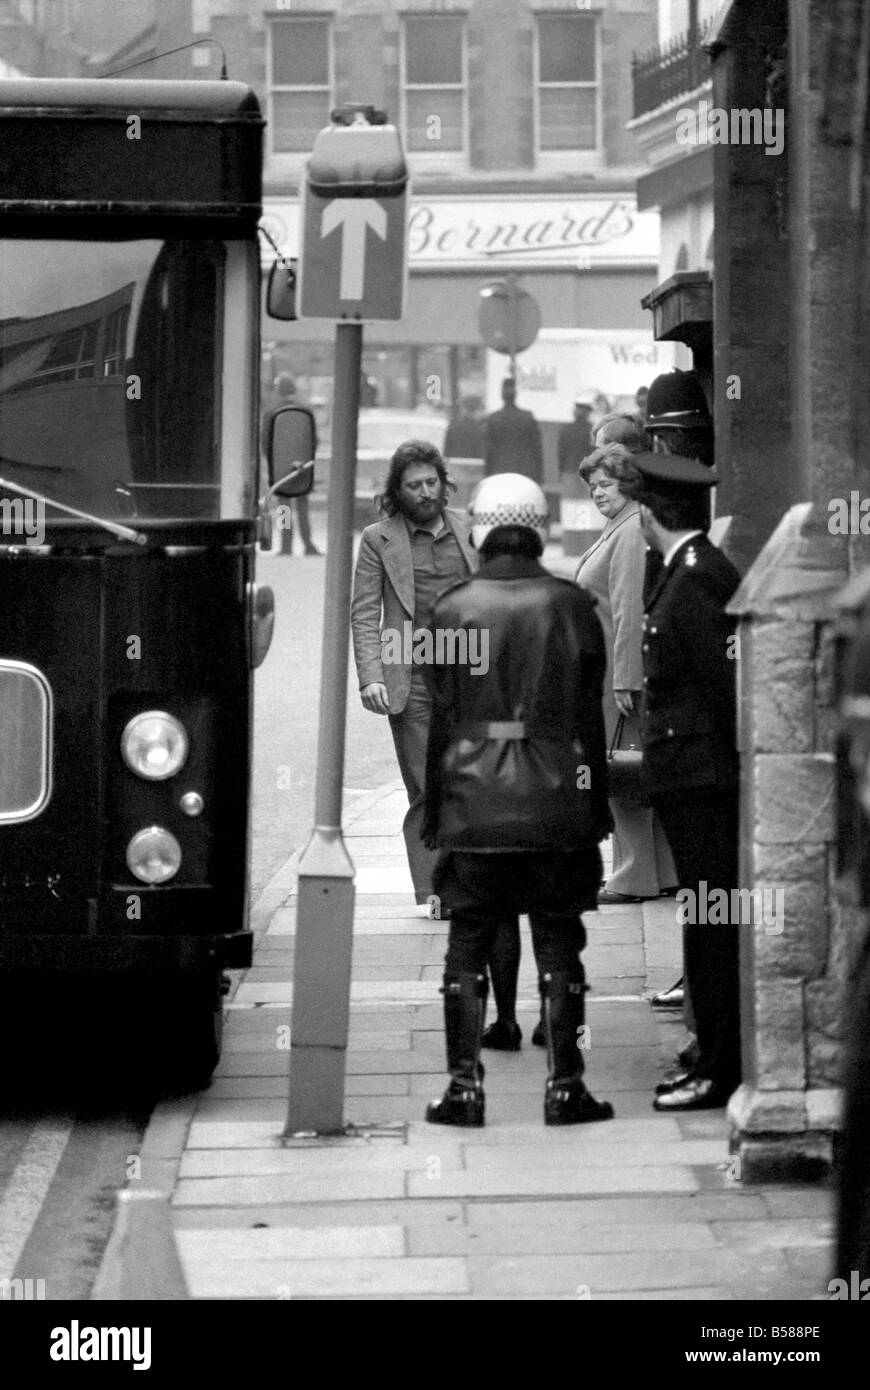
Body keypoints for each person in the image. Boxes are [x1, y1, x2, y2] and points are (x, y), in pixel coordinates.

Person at [420, 472, 615, 1128]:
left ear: (480, 526)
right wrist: (597, 805)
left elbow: (441, 718)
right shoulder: (573, 604)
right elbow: (590, 721)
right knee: (561, 946)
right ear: (538, 526)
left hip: (475, 804)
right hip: (556, 800)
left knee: (466, 945)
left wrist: (436, 806)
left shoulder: (450, 608)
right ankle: (565, 1087)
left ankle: (464, 1090)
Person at [625, 452, 742, 1113]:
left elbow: (721, 692)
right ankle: (710, 1056)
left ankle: (720, 1069)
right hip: (691, 782)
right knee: (704, 922)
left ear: (649, 514)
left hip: (704, 785)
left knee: (713, 925)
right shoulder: (683, 571)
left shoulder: (696, 578)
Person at [351, 441, 476, 907]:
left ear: (443, 484)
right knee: (426, 784)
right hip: (412, 672)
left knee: (469, 781)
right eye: (414, 485)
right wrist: (371, 676)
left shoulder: (469, 529)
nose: (425, 492)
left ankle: (469, 881)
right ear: (397, 490)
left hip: (470, 670)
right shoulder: (378, 538)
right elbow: (365, 611)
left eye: (432, 483)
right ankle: (434, 891)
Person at [575, 444, 676, 904]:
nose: (597, 493)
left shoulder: (631, 528)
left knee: (623, 773)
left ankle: (634, 876)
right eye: (593, 487)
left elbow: (629, 608)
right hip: (609, 672)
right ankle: (659, 872)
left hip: (618, 675)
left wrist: (626, 679)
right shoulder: (620, 526)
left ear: (627, 485)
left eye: (605, 485)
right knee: (632, 771)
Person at [261, 373, 321, 556]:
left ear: (278, 391)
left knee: (284, 508)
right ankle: (308, 544)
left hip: (280, 468)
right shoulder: (306, 411)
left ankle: (286, 546)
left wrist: (273, 461)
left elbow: (265, 442)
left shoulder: (271, 413)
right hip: (302, 466)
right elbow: (314, 440)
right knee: (303, 508)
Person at [483, 377, 543, 482]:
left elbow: (488, 449)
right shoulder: (528, 417)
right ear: (516, 395)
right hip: (525, 471)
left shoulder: (494, 419)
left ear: (502, 395)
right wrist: (539, 476)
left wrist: (487, 474)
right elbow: (537, 449)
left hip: (500, 471)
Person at [557, 396, 595, 477]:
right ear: (587, 414)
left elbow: (561, 452)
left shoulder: (566, 429)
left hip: (569, 469)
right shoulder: (592, 430)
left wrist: (560, 469)